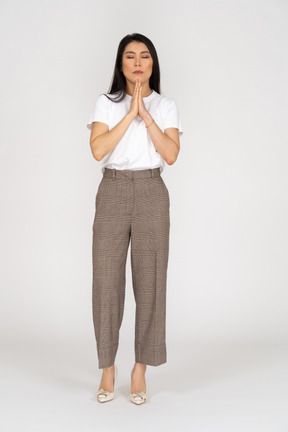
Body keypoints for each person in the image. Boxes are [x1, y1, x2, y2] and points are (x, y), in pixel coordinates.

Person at [87, 33, 183, 404]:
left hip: (151, 190)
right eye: (130, 56)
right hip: (112, 190)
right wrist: (129, 114)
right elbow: (98, 150)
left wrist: (147, 115)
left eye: (145, 56)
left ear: (153, 63)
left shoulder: (167, 105)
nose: (138, 61)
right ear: (121, 64)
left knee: (151, 281)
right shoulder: (106, 103)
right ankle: (107, 366)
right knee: (106, 281)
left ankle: (140, 369)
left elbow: (171, 155)